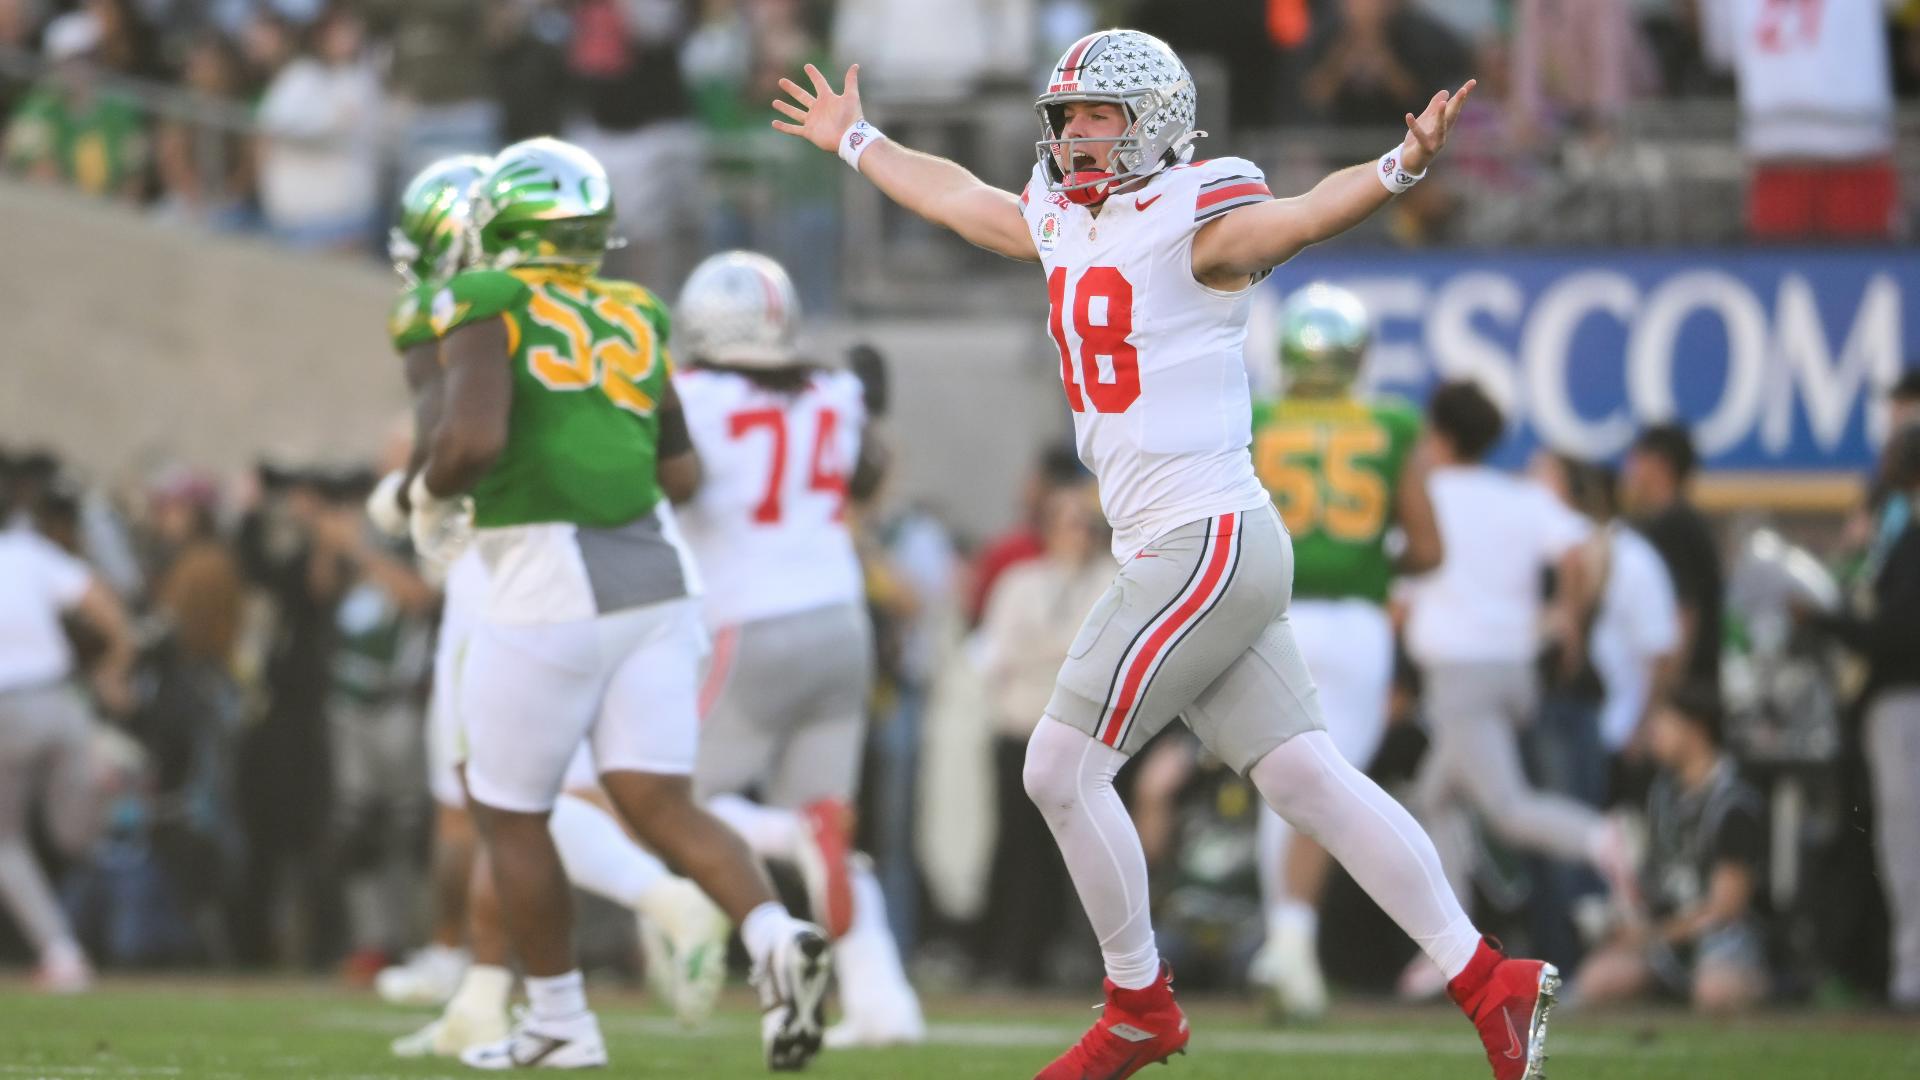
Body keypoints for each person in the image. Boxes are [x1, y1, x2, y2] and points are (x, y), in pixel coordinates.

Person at [773, 32, 1559, 1080]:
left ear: (1157, 121)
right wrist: (858, 140)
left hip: (1204, 541)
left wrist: (1398, 168)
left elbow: (1298, 217)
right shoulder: (1060, 215)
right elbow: (962, 200)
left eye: (1101, 115)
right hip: (1208, 544)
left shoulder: (1197, 216)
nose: (1078, 136)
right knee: (1310, 780)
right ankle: (1487, 982)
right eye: (1069, 118)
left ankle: (1138, 1002)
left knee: (1057, 767)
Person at [406, 138, 830, 1071]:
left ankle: (559, 1020)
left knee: (510, 812)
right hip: (658, 579)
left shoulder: (484, 297)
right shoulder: (638, 311)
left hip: (549, 573)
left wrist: (428, 493)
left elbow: (468, 436)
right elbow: (679, 474)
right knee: (662, 803)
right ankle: (769, 935)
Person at [366, 157, 729, 1058]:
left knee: (491, 797)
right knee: (530, 793)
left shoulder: (463, 304)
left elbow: (450, 442)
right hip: (614, 557)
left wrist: (405, 496)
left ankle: (611, 926)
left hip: (517, 560)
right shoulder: (607, 302)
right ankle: (491, 992)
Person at [672, 250, 925, 1048]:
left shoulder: (688, 396)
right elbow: (864, 477)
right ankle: (884, 1002)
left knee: (669, 804)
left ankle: (786, 840)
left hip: (751, 619)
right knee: (829, 821)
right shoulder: (838, 391)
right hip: (842, 618)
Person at [1243, 282, 1442, 1020]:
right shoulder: (1389, 422)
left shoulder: (1257, 418)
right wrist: (1366, 558)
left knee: (1284, 788)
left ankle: (1285, 947)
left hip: (1270, 615)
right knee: (1322, 785)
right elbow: (1428, 546)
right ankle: (1292, 943)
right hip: (1356, 627)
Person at [1402, 383, 1637, 962]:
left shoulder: (1429, 494)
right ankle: (1450, 943)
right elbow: (1587, 550)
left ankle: (1601, 838)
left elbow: (1401, 580)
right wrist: (1570, 621)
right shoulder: (1519, 498)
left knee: (1506, 809)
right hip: (1514, 672)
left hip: (1462, 674)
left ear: (1439, 435)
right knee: (1434, 798)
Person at [974, 482, 1112, 989]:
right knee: (1016, 848)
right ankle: (1010, 957)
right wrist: (1053, 654)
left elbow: (1096, 655)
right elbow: (996, 653)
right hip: (1020, 727)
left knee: (1080, 847)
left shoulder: (1110, 581)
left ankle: (1081, 959)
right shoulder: (1021, 582)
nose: (1079, 533)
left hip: (1082, 736)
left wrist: (1043, 653)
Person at [1804, 422, 1920, 1010]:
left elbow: (1897, 631)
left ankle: (1910, 976)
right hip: (1896, 701)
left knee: (1906, 842)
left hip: (1904, 700)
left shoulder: (1912, 534)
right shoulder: (1900, 532)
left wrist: (1824, 621)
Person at [0, 521, 137, 991]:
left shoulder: (24, 548)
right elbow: (100, 601)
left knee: (5, 841)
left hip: (7, 707)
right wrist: (116, 666)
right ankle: (102, 776)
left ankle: (61, 951)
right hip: (60, 701)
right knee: (74, 839)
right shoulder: (28, 549)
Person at [1571, 686, 1767, 1013]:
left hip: (1721, 939)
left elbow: (1725, 908)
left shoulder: (1732, 804)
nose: (1654, 733)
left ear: (1697, 729)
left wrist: (1651, 934)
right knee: (1597, 979)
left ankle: (1762, 984)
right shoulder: (1661, 794)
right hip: (1668, 937)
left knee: (1714, 990)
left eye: (1664, 722)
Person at [1622, 423, 1723, 696]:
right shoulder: (1682, 523)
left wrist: (1663, 694)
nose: (1629, 470)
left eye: (1636, 459)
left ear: (1659, 464)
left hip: (1684, 691)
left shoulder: (1673, 527)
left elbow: (1683, 613)